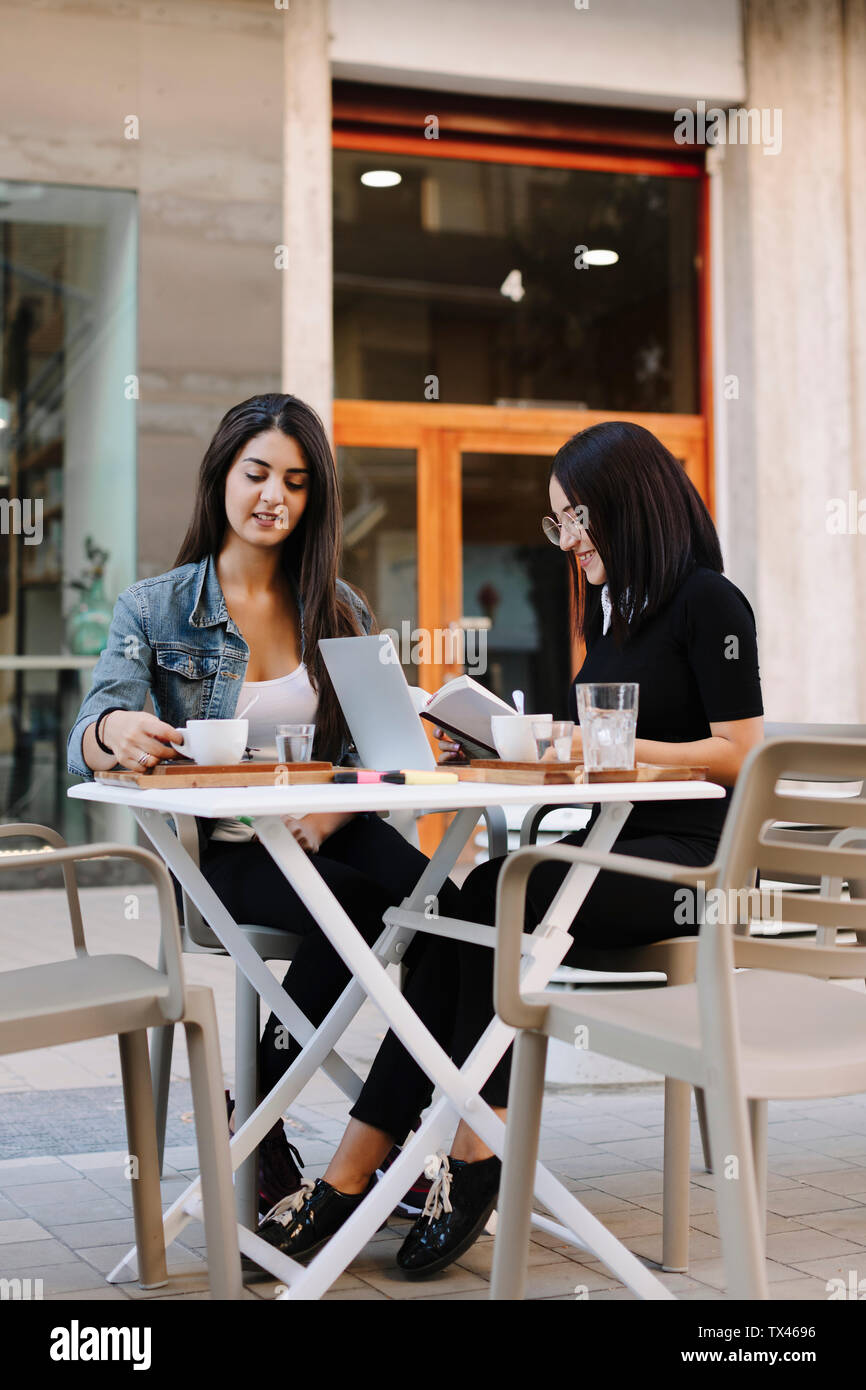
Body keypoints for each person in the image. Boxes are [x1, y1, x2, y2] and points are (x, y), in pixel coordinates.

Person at [261, 419, 764, 1279]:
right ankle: (408, 1156)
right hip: (613, 849)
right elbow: (599, 756)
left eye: (575, 518)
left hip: (687, 867)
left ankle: (444, 1161)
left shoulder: (710, 601)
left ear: (626, 506)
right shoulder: (615, 617)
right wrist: (506, 746)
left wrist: (622, 744)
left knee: (494, 896)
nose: (568, 539)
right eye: (559, 522)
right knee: (465, 903)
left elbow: (741, 751)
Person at [67, 391, 464, 1217]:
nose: (272, 496)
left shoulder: (339, 605)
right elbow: (89, 728)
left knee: (450, 920)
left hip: (332, 830)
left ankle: (370, 1139)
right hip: (227, 857)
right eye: (257, 474)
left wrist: (400, 755)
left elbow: (369, 756)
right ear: (223, 475)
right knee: (359, 911)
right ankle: (274, 1123)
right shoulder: (156, 607)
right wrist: (116, 731)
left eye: (294, 480)